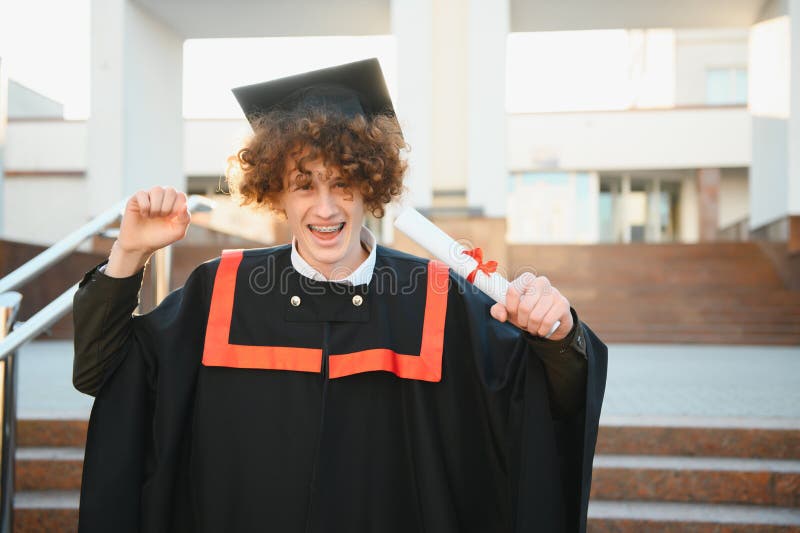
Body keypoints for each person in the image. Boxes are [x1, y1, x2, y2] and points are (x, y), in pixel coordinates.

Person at [72, 58, 607, 533]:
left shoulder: (434, 299)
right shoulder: (221, 292)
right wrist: (128, 255)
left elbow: (540, 403)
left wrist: (559, 334)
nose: (325, 209)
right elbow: (103, 373)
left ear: (371, 186)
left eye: (343, 183)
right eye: (305, 184)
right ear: (277, 192)